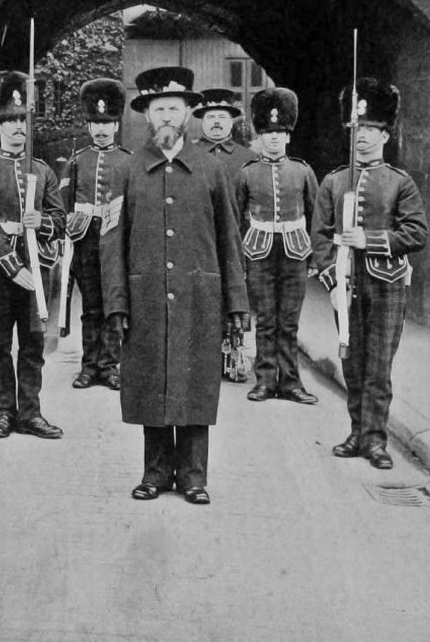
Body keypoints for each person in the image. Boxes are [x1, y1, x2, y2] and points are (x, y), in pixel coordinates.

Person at [100, 67, 248, 505]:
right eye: (158, 109)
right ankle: (155, 472)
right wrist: (116, 302)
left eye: (174, 108)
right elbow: (111, 243)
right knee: (151, 381)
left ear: (188, 115)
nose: (166, 116)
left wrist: (237, 301)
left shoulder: (212, 170)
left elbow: (229, 239)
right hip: (144, 296)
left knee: (195, 382)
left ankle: (194, 476)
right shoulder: (126, 170)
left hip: (200, 296)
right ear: (148, 116)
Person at [312, 78, 427, 470]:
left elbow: (417, 233)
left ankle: (375, 441)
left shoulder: (400, 182)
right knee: (353, 364)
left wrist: (371, 239)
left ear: (385, 135)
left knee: (379, 366)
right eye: (357, 131)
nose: (362, 139)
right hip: (346, 285)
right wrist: (331, 280)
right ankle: (356, 432)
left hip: (388, 285)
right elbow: (320, 237)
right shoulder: (333, 181)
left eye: (371, 131)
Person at [0, 71, 66, 440]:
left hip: (37, 267)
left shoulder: (41, 170)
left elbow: (60, 220)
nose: (17, 128)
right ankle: (4, 413)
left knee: (33, 344)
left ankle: (31, 412)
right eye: (10, 120)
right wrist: (12, 266)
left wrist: (40, 221)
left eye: (22, 120)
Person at [236, 88, 320, 405]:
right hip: (257, 253)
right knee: (266, 321)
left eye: (280, 132)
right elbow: (235, 217)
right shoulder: (246, 174)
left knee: (289, 322)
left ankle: (292, 383)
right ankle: (265, 380)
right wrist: (240, 259)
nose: (274, 138)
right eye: (268, 132)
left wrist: (314, 256)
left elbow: (316, 215)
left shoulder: (302, 171)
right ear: (260, 135)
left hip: (295, 252)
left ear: (288, 135)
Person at [63, 78, 131, 392]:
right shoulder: (77, 162)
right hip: (85, 241)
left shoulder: (130, 163)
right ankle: (89, 366)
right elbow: (63, 206)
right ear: (88, 126)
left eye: (107, 122)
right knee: (90, 306)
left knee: (112, 304)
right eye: (95, 122)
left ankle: (110, 366)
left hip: (116, 243)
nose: (101, 129)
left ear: (117, 124)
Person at [194, 87, 257, 382]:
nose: (217, 122)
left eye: (222, 116)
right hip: (203, 239)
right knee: (204, 300)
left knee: (237, 301)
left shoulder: (249, 158)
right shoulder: (190, 155)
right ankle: (203, 360)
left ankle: (235, 361)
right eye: (211, 116)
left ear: (232, 122)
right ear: (201, 121)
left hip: (242, 240)